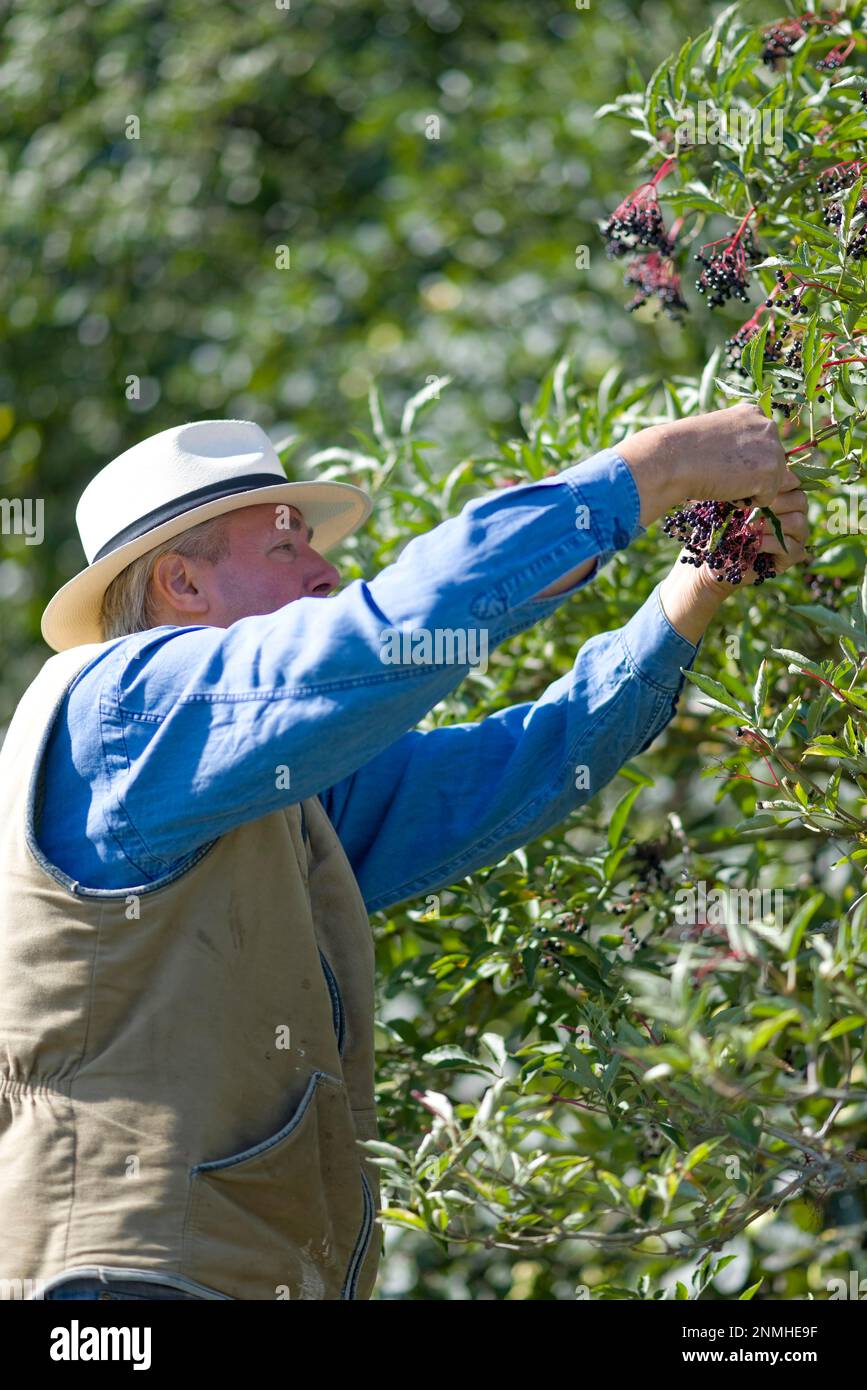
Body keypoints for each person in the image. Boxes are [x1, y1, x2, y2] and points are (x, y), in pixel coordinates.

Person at [0, 407, 807, 1301]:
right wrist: (646, 474)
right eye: (285, 547)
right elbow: (384, 635)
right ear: (181, 584)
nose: (327, 571)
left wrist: (697, 585)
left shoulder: (265, 789)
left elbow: (521, 767)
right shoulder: (120, 712)